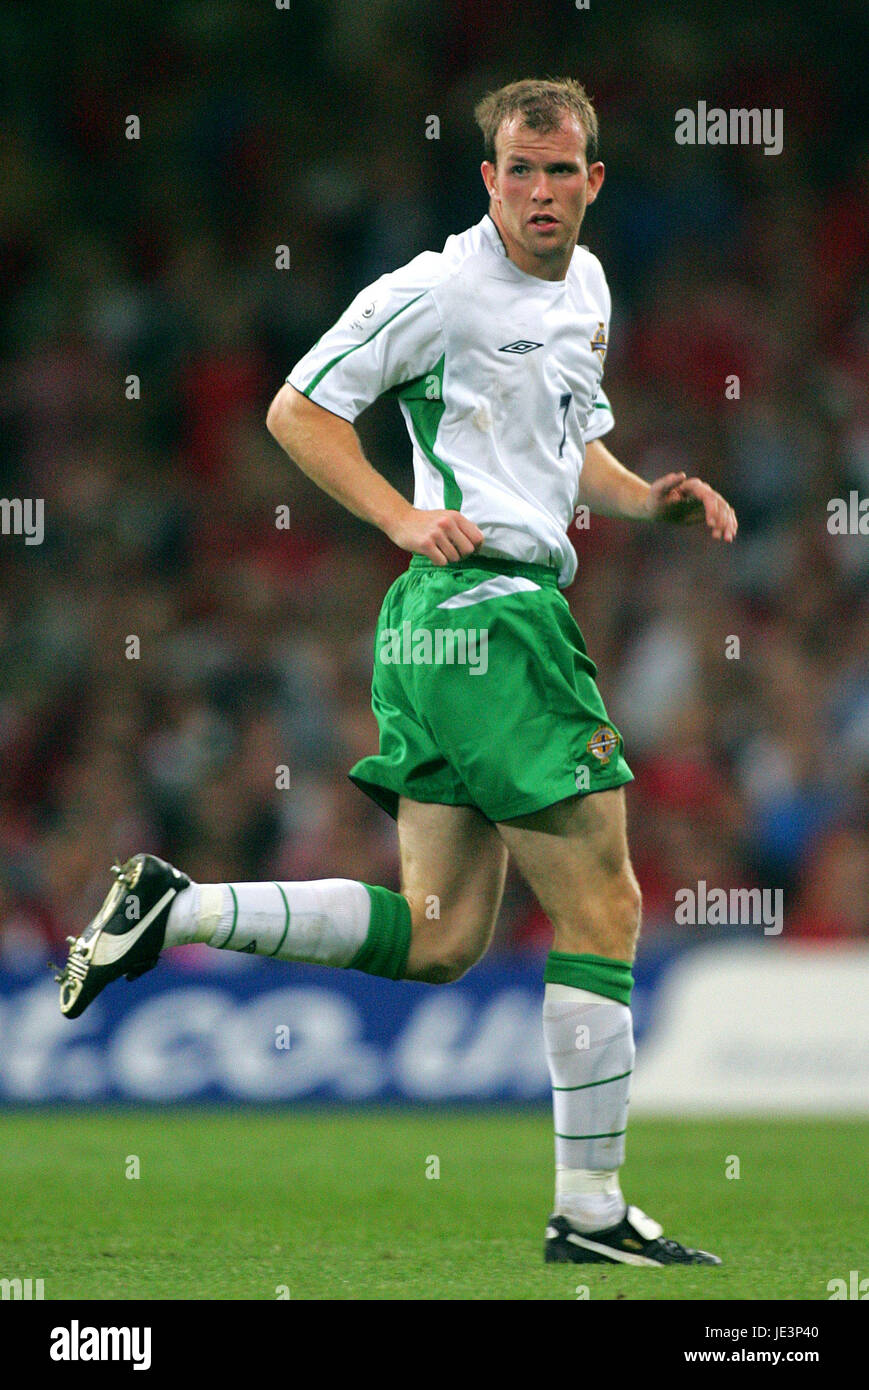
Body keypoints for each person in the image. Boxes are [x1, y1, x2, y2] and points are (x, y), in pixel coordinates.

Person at [57, 78, 736, 1267]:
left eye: (558, 170)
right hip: (483, 610)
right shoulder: (432, 289)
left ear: (591, 180)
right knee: (606, 905)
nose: (537, 191)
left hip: (442, 632)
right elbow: (297, 409)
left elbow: (563, 446)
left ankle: (178, 909)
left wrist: (645, 499)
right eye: (516, 172)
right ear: (485, 179)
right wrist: (397, 515)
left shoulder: (584, 289)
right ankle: (587, 1214)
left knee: (438, 935)